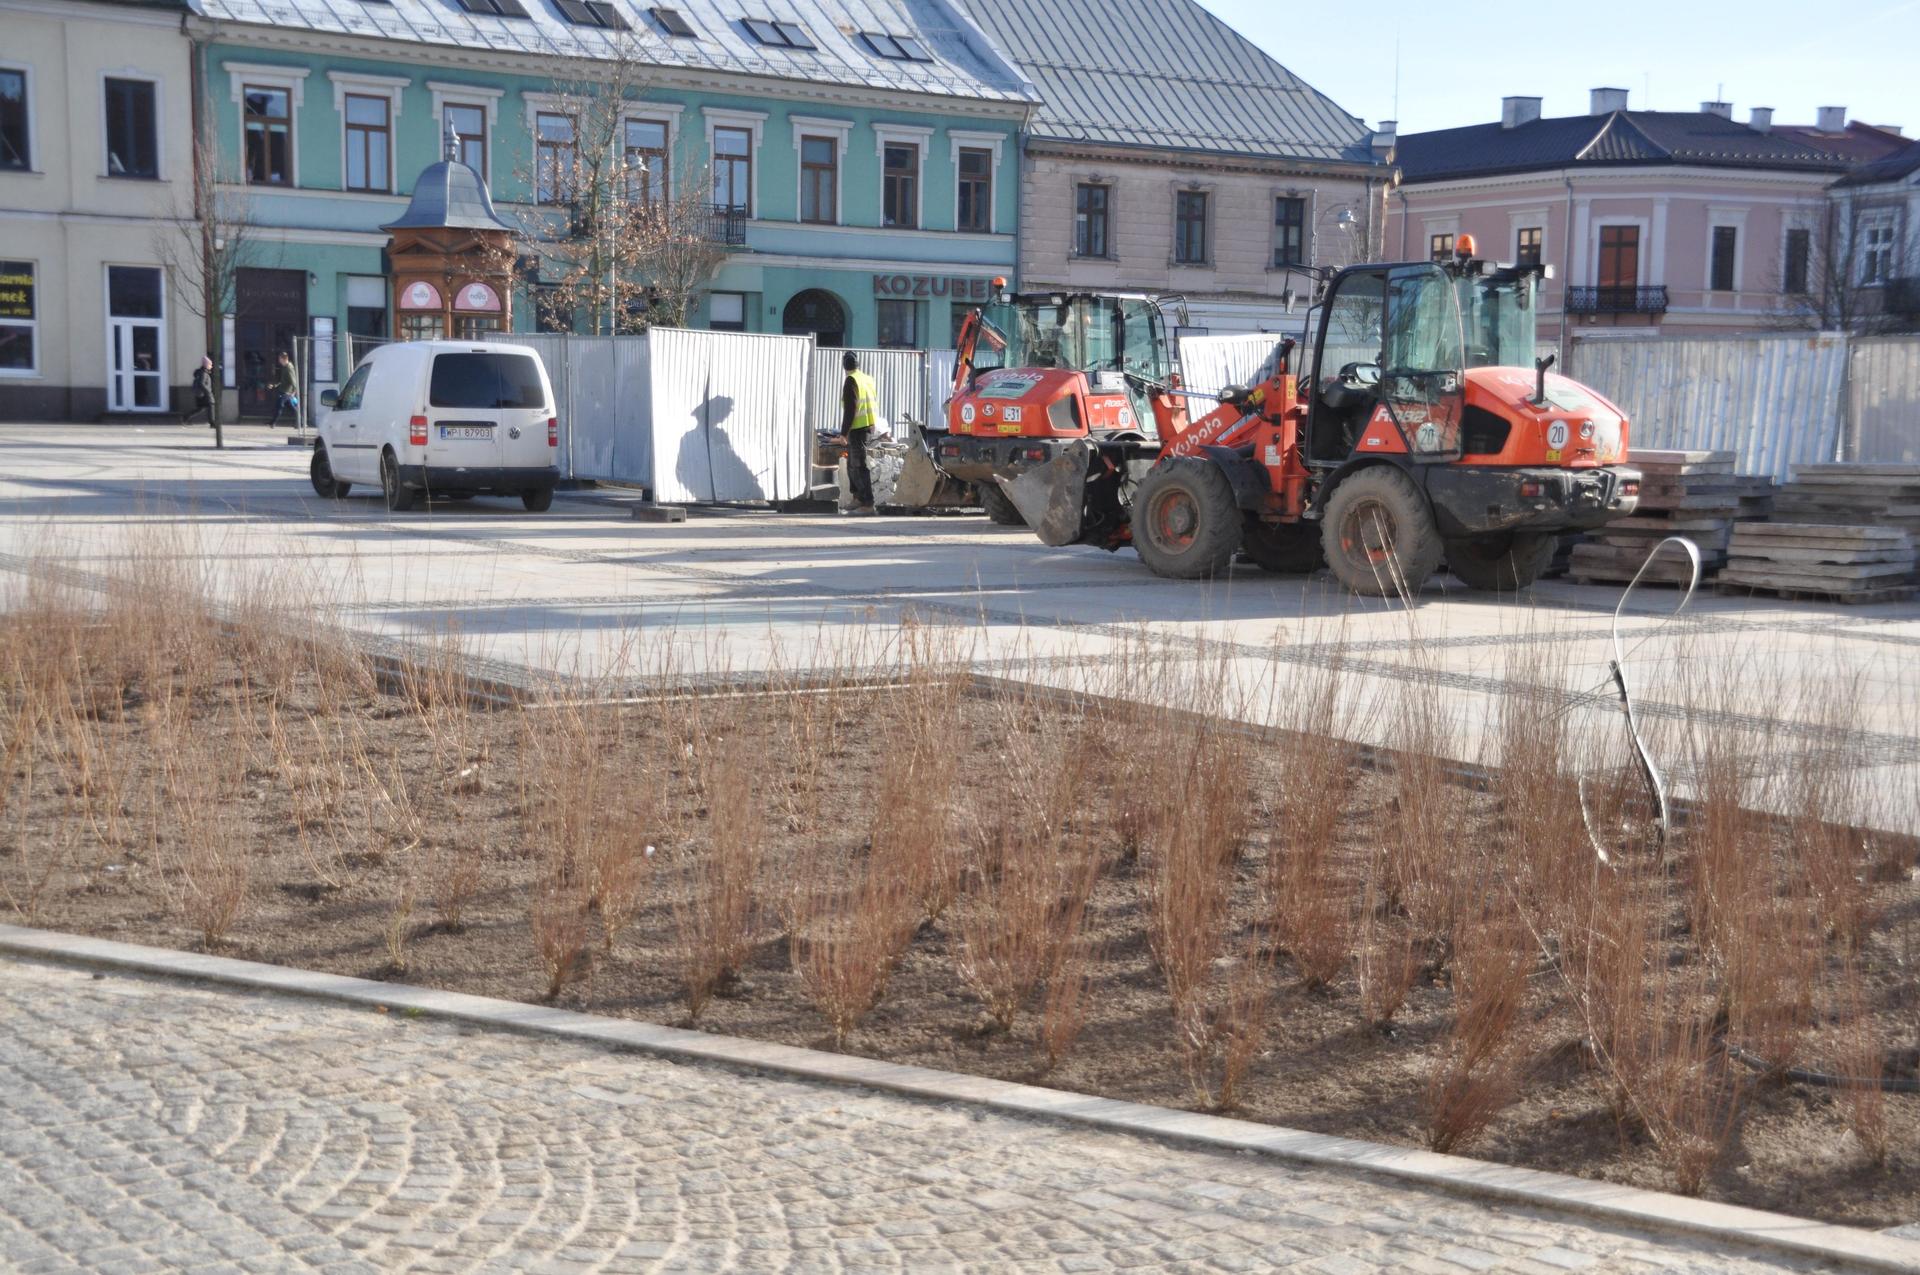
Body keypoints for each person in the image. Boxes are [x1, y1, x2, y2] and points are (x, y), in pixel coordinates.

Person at [840, 350, 879, 514]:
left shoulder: (851, 380)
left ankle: (867, 503)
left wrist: (843, 433)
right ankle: (857, 498)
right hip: (868, 426)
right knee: (853, 465)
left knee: (858, 466)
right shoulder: (867, 379)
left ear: (844, 366)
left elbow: (851, 409)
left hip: (858, 428)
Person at [182, 355, 217, 428]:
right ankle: (212, 423)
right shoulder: (204, 373)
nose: (211, 366)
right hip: (204, 394)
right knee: (211, 405)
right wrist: (208, 391)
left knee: (200, 409)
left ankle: (186, 417)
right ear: (206, 365)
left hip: (200, 394)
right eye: (210, 365)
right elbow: (202, 383)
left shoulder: (201, 372)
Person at [265, 351, 298, 428]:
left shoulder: (289, 368)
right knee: (291, 408)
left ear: (284, 359)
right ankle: (301, 422)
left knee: (279, 406)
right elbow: (282, 380)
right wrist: (274, 385)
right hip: (284, 391)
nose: (279, 360)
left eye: (279, 359)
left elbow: (293, 381)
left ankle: (273, 423)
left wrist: (294, 392)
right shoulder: (285, 367)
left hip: (287, 392)